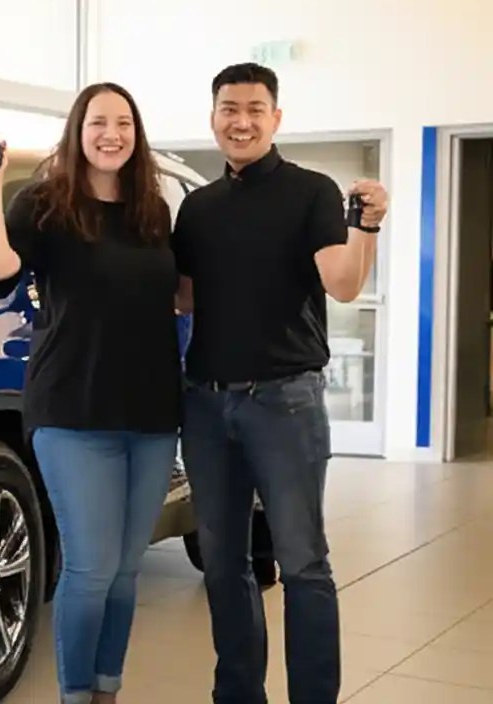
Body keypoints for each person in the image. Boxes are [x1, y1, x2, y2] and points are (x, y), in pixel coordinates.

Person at [171, 62, 389, 704]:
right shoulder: (198, 207)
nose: (241, 121)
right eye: (229, 109)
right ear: (213, 118)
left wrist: (367, 225)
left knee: (302, 564)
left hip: (285, 403)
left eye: (255, 109)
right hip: (206, 406)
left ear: (276, 118)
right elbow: (182, 300)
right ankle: (238, 693)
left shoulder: (311, 192)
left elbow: (344, 283)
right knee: (223, 563)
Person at [0, 82, 182, 704]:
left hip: (150, 413)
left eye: (123, 122)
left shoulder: (153, 211)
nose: (111, 134)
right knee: (90, 569)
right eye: (98, 122)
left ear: (136, 134)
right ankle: (74, 694)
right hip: (73, 410)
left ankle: (108, 691)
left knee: (124, 572)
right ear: (78, 129)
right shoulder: (46, 204)